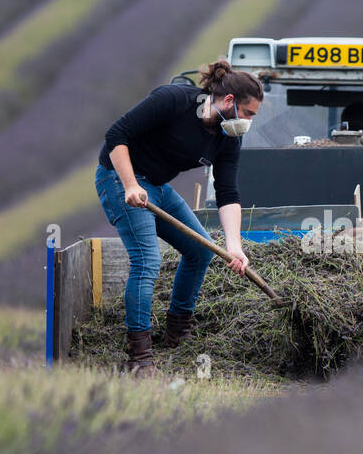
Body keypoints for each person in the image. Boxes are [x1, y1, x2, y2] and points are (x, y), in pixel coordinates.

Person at [95, 59, 262, 374]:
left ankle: (176, 337)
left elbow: (228, 193)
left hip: (155, 187)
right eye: (249, 113)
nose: (249, 121)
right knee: (147, 260)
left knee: (200, 250)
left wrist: (235, 246)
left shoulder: (229, 138)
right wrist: (130, 185)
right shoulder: (174, 100)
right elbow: (115, 135)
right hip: (118, 178)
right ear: (229, 101)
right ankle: (140, 359)